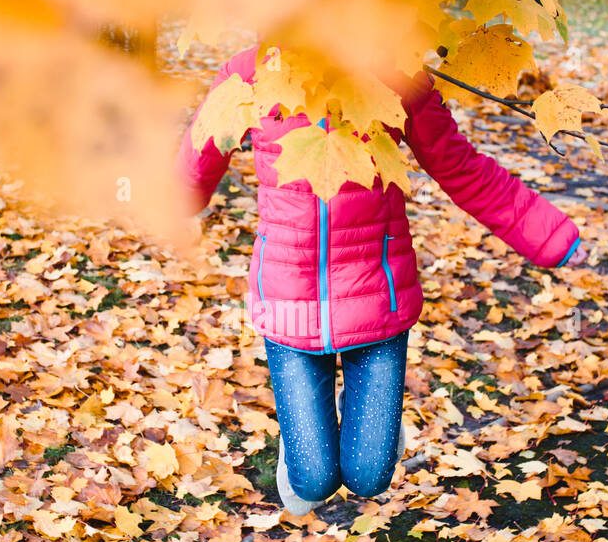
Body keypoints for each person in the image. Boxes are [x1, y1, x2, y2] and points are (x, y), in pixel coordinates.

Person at [178, 45, 586, 516]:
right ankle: (311, 445)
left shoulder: (394, 72)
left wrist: (552, 236)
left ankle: (376, 423)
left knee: (370, 476)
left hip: (379, 298)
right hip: (289, 300)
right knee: (312, 481)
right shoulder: (249, 74)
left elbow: (461, 165)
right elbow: (198, 156)